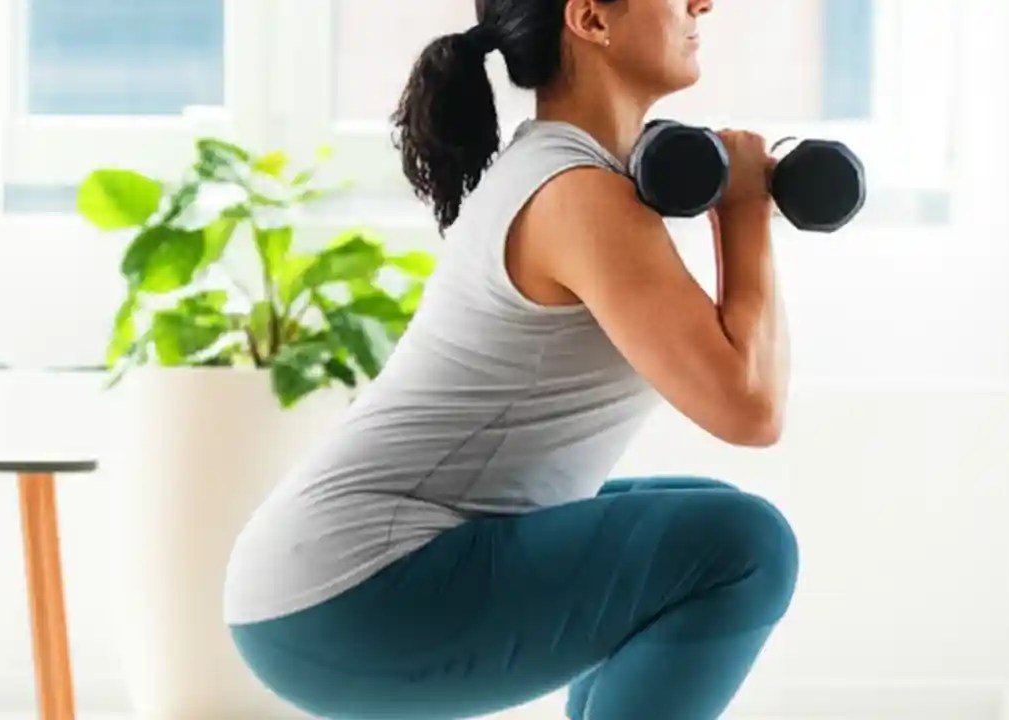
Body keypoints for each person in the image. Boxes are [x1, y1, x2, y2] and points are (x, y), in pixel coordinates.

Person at [223, 0, 798, 717]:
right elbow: (751, 409)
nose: (702, 2)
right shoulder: (578, 195)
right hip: (354, 594)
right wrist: (744, 211)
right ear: (590, 19)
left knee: (708, 512)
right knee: (744, 546)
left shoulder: (570, 173)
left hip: (322, 587)